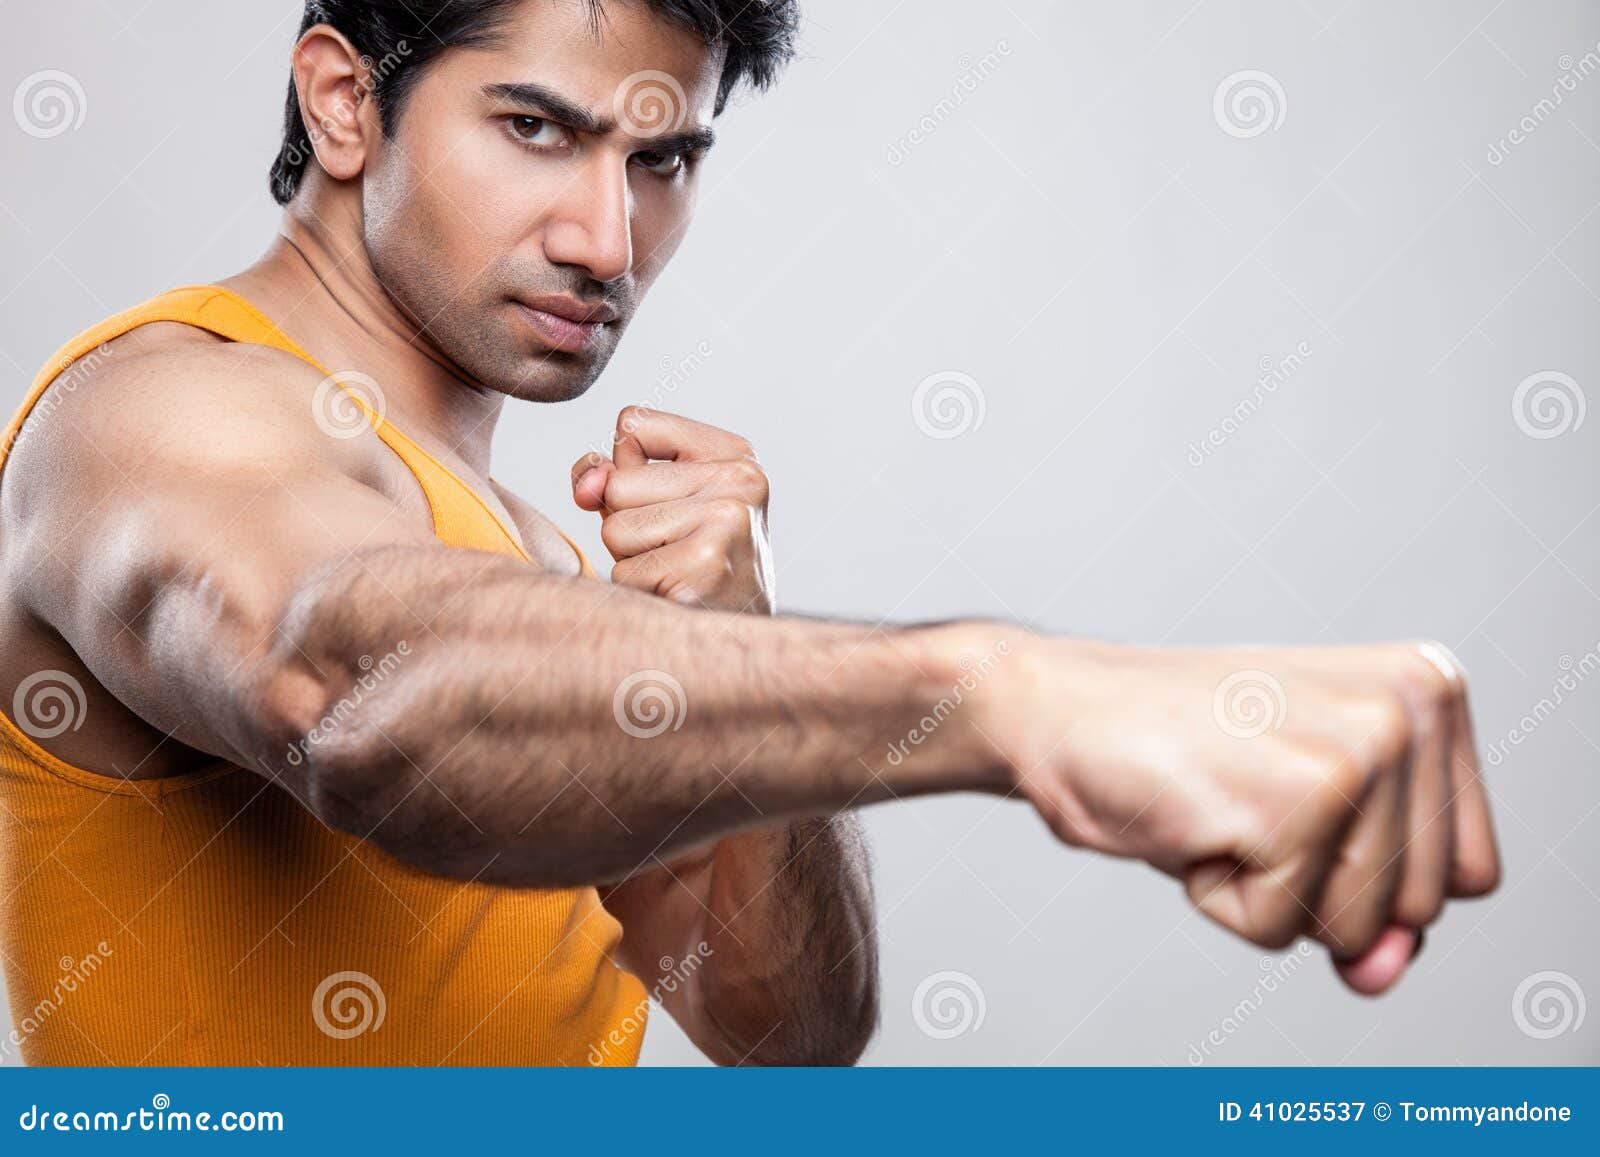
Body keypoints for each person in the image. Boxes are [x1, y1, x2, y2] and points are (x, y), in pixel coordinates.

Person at [0, 0, 1499, 1067]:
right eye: (535, 129)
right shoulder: (153, 415)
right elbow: (351, 690)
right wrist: (1008, 694)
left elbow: (783, 1033)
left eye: (662, 161)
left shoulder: (530, 562)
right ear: (343, 100)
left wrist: (730, 646)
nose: (606, 241)